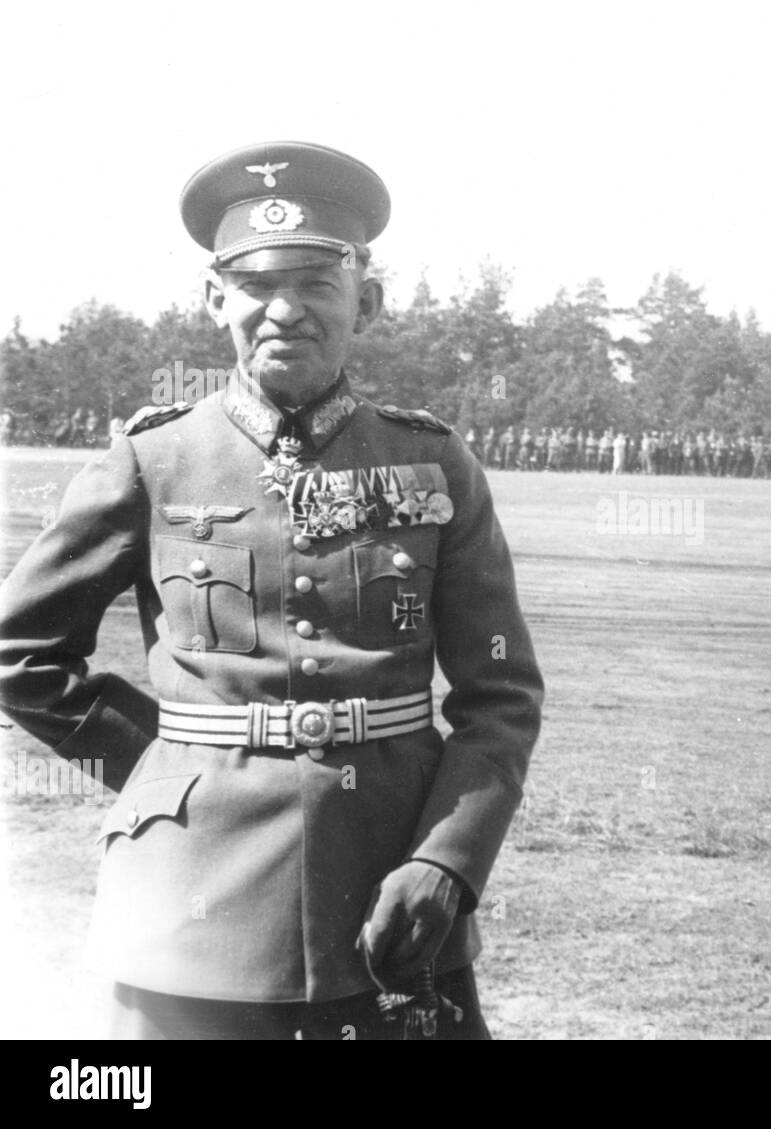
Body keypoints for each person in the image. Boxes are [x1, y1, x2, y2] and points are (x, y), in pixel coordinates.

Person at [0, 141, 544, 1040]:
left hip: (393, 901)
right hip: (189, 909)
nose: (283, 309)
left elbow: (501, 695)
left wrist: (448, 863)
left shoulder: (431, 460)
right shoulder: (154, 458)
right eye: (254, 284)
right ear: (215, 299)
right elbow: (19, 653)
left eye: (316, 282)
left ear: (365, 298)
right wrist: (159, 775)